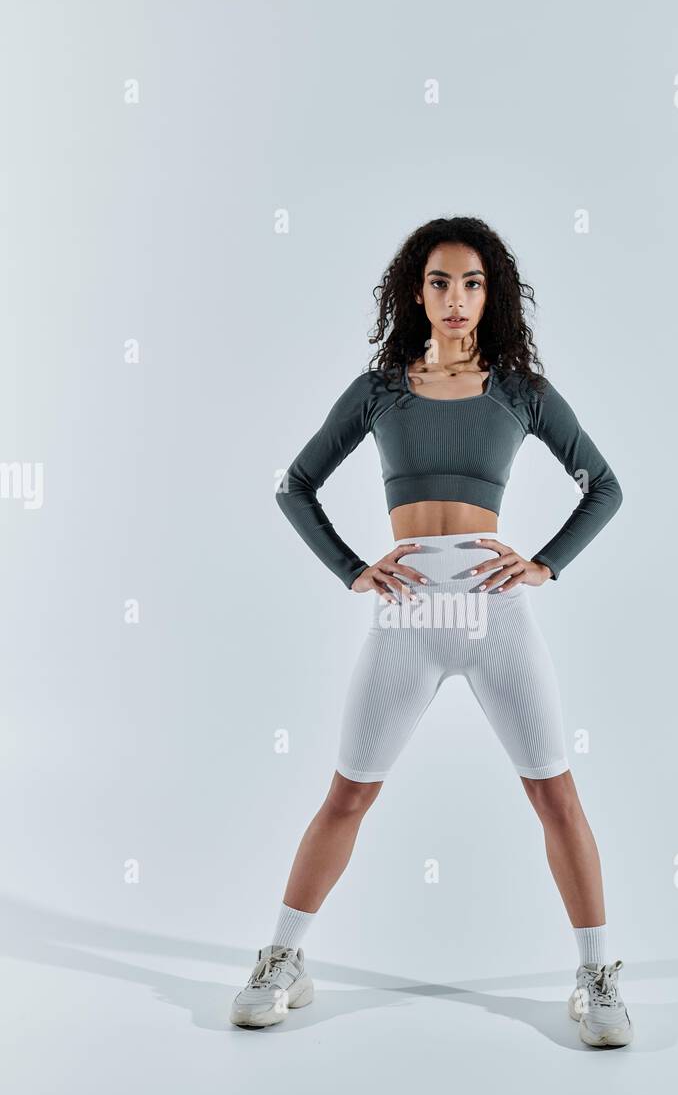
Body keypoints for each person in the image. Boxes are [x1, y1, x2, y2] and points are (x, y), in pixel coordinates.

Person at [230, 216, 633, 1047]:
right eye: (442, 282)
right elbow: (295, 486)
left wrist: (544, 563)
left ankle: (596, 978)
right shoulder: (381, 387)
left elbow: (605, 486)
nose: (457, 299)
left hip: (495, 614)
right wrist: (353, 569)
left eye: (473, 284)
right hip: (408, 615)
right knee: (347, 795)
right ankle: (283, 959)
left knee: (555, 794)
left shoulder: (520, 389)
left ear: (493, 296)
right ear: (418, 291)